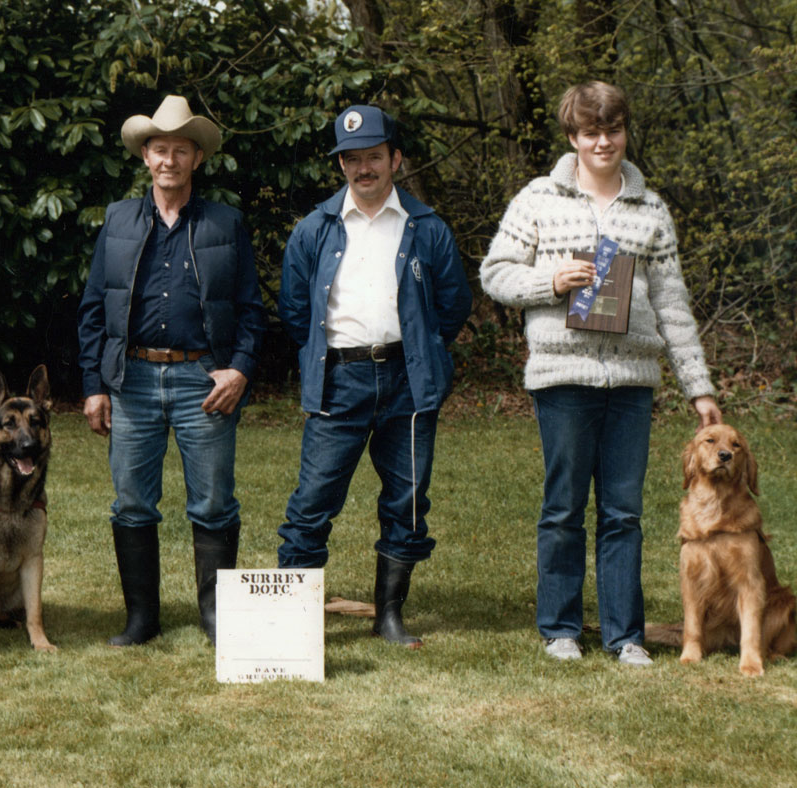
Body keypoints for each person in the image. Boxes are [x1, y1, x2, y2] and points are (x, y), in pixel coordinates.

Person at [480, 81, 721, 665]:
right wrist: (549, 281)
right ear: (573, 137)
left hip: (632, 383)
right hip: (562, 378)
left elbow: (672, 304)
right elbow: (494, 273)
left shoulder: (650, 210)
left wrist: (699, 389)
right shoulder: (538, 199)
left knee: (623, 512)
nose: (603, 142)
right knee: (563, 508)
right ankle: (560, 628)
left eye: (613, 130)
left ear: (625, 132)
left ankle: (625, 636)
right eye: (591, 132)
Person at [276, 105, 472, 647]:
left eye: (374, 157)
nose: (364, 168)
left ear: (395, 159)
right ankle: (293, 623)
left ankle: (388, 615)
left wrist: (422, 352)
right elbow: (294, 311)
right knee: (312, 501)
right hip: (338, 381)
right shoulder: (315, 229)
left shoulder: (425, 228)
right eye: (352, 159)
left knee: (407, 501)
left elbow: (452, 306)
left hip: (409, 380)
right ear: (341, 164)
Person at [77, 95, 265, 645]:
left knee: (214, 502)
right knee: (132, 502)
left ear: (197, 158)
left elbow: (252, 310)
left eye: (181, 150)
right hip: (130, 380)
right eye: (160, 149)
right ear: (145, 156)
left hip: (203, 381)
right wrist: (93, 386)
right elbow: (93, 309)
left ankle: (216, 617)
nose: (169, 160)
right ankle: (141, 619)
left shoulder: (225, 222)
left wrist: (239, 370)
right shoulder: (118, 220)